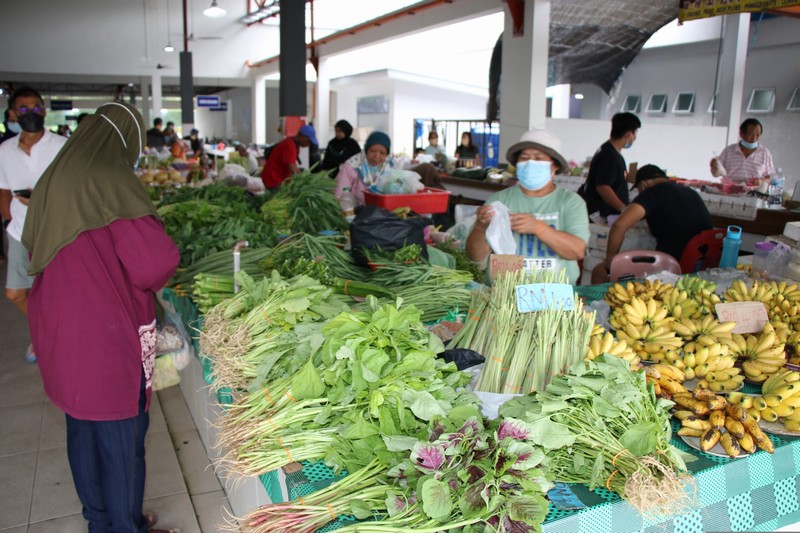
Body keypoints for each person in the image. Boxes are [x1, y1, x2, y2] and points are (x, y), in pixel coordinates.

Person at [21, 101, 181, 533]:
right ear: (125, 140)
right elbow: (152, 264)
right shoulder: (112, 180)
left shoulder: (54, 178)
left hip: (59, 331)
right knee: (122, 440)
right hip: (105, 339)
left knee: (83, 430)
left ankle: (99, 520)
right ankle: (125, 526)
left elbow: (32, 247)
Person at [465, 129, 589, 285]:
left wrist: (538, 228)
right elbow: (475, 257)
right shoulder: (499, 200)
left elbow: (577, 251)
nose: (530, 163)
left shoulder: (570, 202)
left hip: (554, 297)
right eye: (524, 158)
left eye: (538, 158)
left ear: (554, 166)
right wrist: (480, 227)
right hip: (504, 296)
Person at [0, 86, 67, 363]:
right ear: (13, 114)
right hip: (19, 230)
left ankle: (57, 336)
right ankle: (44, 331)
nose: (32, 114)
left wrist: (39, 200)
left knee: (55, 291)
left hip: (55, 231)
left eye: (37, 108)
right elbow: (3, 190)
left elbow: (72, 190)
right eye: (24, 109)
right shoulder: (4, 150)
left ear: (45, 111)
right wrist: (9, 219)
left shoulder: (62, 146)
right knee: (16, 293)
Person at [591, 164, 712, 283]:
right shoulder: (689, 191)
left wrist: (609, 261)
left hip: (675, 265)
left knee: (600, 270)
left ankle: (599, 301)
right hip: (705, 262)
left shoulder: (652, 192)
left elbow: (619, 225)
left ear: (643, 185)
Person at [334, 131, 443, 205]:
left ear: (387, 154)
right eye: (373, 151)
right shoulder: (352, 166)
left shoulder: (390, 165)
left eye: (382, 153)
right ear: (366, 149)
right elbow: (338, 195)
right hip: (357, 214)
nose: (377, 156)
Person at [580, 112, 641, 218]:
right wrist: (624, 209)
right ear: (628, 134)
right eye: (635, 133)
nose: (635, 137)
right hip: (601, 214)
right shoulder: (609, 155)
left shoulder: (608, 150)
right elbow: (603, 187)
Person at [710, 118, 776, 184]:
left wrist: (761, 181)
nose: (754, 138)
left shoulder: (765, 153)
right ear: (741, 134)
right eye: (751, 134)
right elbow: (716, 174)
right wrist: (714, 167)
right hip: (730, 191)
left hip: (754, 192)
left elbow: (771, 178)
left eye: (758, 135)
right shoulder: (729, 151)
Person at [260, 124, 317, 189]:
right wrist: (304, 181)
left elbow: (293, 166)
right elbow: (291, 168)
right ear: (301, 135)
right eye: (309, 141)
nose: (308, 144)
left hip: (277, 180)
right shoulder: (290, 145)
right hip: (273, 181)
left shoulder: (293, 144)